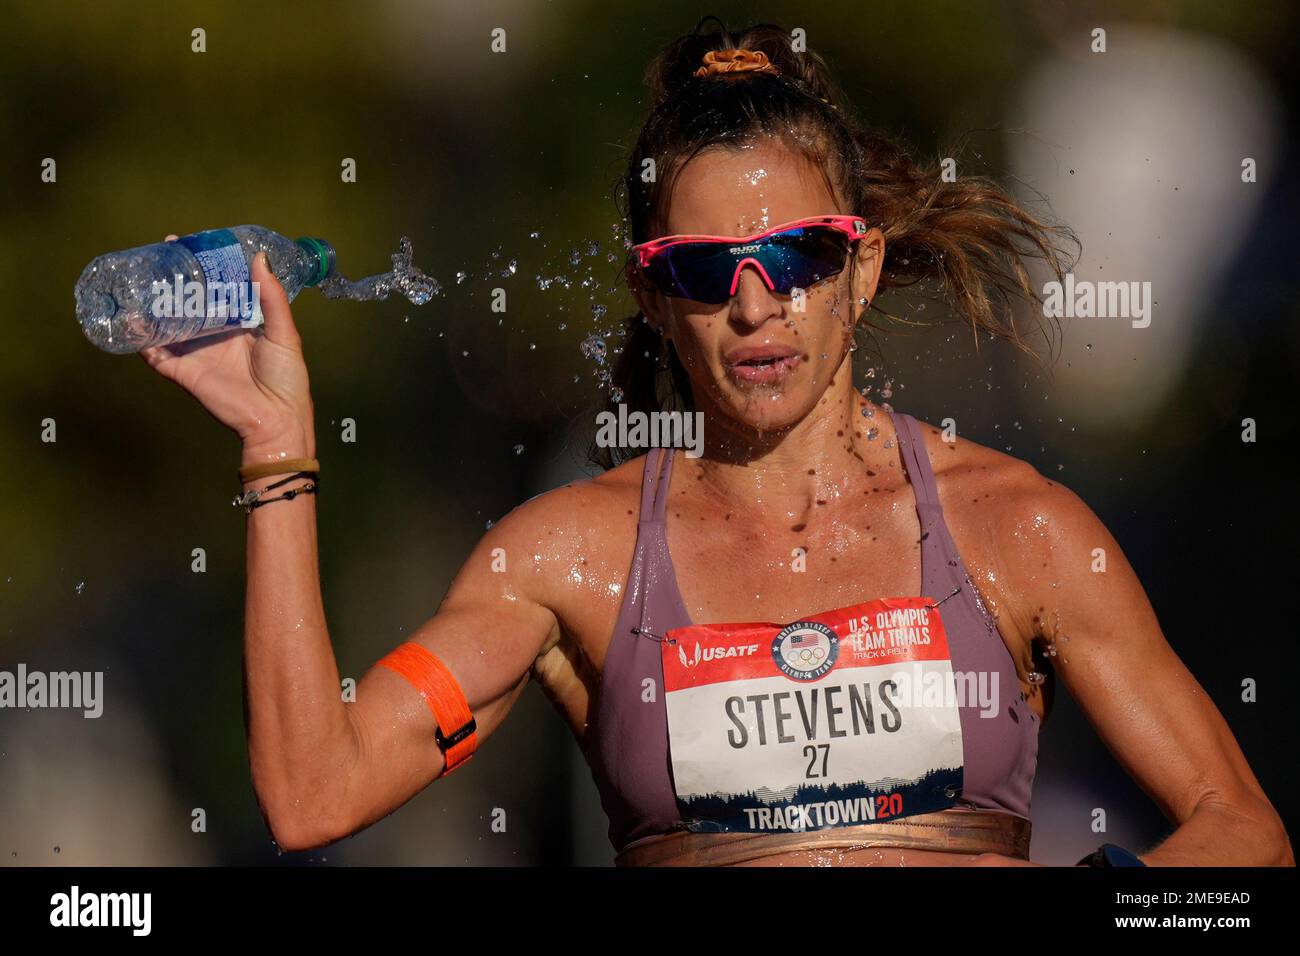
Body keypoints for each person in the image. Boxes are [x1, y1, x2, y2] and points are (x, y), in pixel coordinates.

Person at [140, 18, 1292, 867]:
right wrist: (276, 451)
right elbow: (312, 793)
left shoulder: (1020, 531)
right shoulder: (570, 559)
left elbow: (1243, 838)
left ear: (864, 264)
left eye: (793, 255)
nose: (753, 304)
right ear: (653, 297)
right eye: (701, 270)